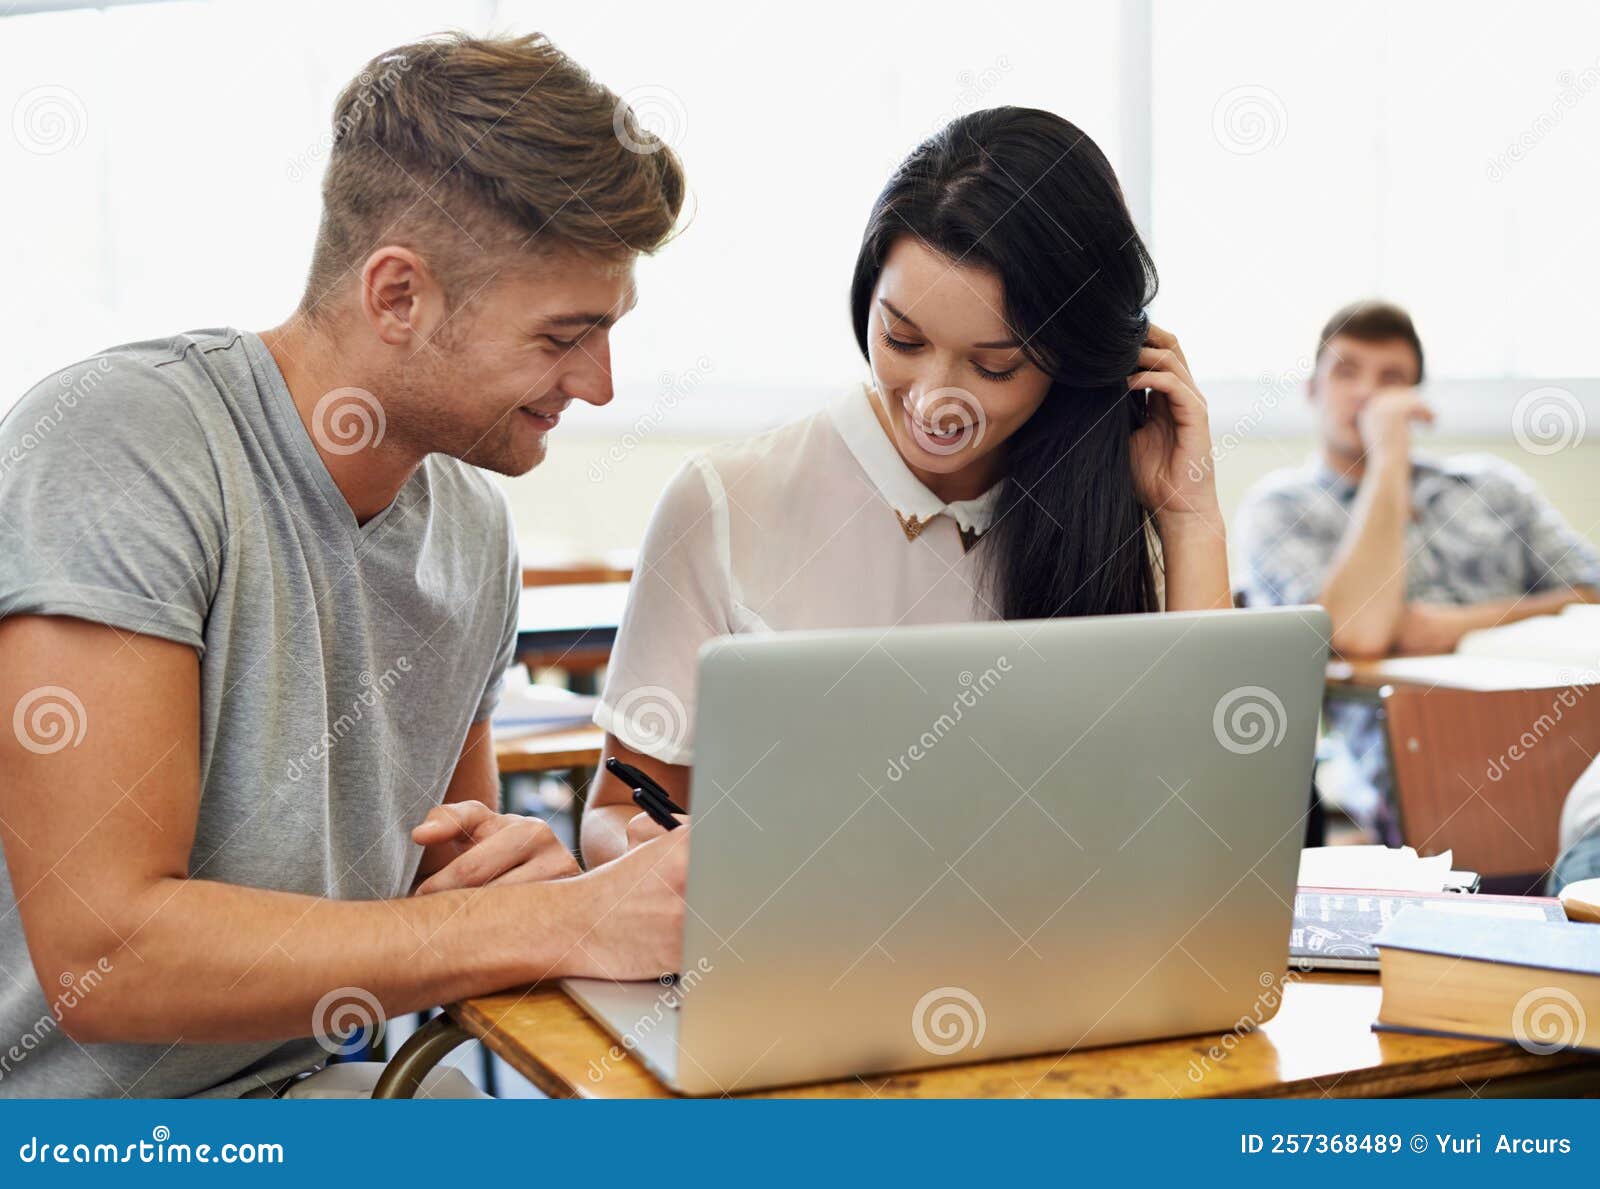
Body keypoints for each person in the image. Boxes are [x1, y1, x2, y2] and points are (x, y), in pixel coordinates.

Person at [0, 33, 689, 1099]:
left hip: (314, 1098)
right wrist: (554, 917)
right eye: (564, 335)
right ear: (399, 295)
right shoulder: (124, 448)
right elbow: (110, 957)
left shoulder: (470, 527)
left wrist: (504, 873)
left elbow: (443, 886)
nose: (597, 384)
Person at [581, 107, 1231, 867]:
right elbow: (616, 808)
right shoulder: (726, 499)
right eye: (902, 340)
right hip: (802, 968)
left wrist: (1190, 519)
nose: (933, 400)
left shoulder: (1107, 500)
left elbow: (1209, 829)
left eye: (994, 366)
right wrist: (676, 868)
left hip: (1057, 967)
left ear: (1072, 361)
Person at [1235, 300, 1600, 838]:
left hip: (1559, 743)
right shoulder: (1281, 510)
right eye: (1345, 372)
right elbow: (1356, 633)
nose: (1365, 394)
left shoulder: (1492, 486)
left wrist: (1460, 626)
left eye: (1391, 379)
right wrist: (1386, 462)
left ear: (1416, 402)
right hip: (1417, 775)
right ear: (1311, 390)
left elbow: (1589, 592)